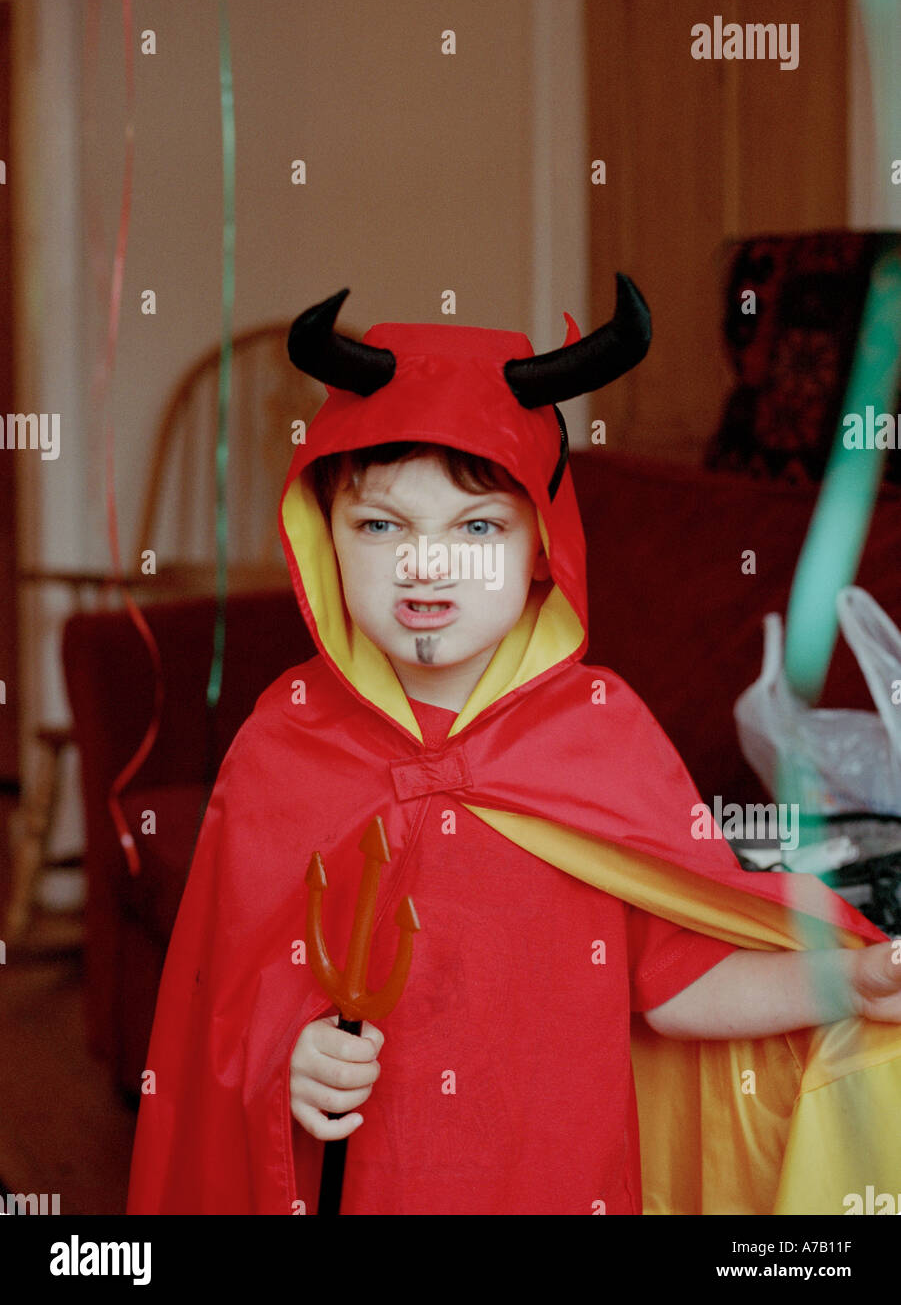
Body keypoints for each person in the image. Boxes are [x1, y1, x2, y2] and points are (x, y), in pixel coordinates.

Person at [127, 278, 901, 1216]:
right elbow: (218, 1007)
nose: (427, 563)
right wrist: (286, 1065)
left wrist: (848, 977)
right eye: (380, 525)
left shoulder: (600, 734)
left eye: (478, 526)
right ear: (321, 532)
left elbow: (676, 986)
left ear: (542, 543)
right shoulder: (282, 741)